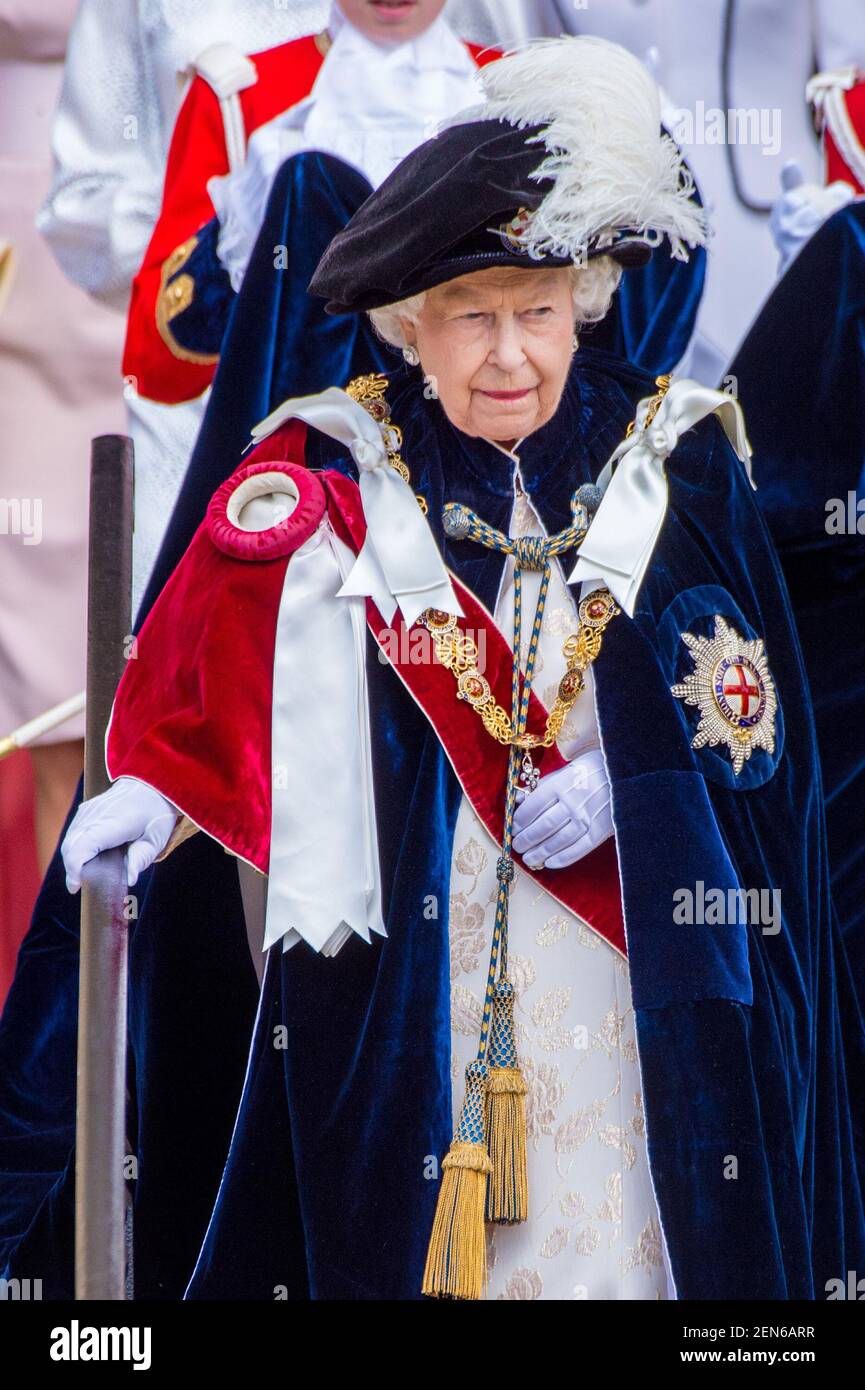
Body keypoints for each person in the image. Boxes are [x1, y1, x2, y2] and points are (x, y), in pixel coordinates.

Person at [55, 36, 865, 1302]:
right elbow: (242, 664)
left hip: (629, 974)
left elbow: (750, 719)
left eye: (536, 316)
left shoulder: (676, 455)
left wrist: (630, 787)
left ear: (581, 306)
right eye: (471, 320)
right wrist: (156, 799)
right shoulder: (345, 474)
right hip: (411, 990)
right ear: (408, 329)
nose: (508, 357)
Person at [449, 0, 865, 380]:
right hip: (619, 235)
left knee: (776, 407)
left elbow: (853, 75)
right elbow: (523, 59)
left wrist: (841, 219)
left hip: (774, 218)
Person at [0, 3, 123, 933]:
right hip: (20, 293)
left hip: (178, 244)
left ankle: (172, 1051)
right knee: (59, 725)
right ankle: (62, 1050)